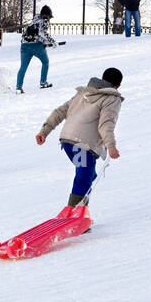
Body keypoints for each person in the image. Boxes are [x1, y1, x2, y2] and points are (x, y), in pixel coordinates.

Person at [36, 67, 123, 209]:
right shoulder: (111, 98)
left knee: (86, 174)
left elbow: (60, 111)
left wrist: (44, 131)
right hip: (82, 145)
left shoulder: (84, 92)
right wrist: (111, 147)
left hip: (68, 143)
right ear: (118, 86)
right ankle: (73, 214)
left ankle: (79, 213)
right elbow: (106, 125)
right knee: (83, 178)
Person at [16, 5, 56, 93]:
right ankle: (43, 82)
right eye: (50, 17)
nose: (49, 19)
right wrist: (52, 41)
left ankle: (18, 88)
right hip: (36, 46)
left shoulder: (34, 20)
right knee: (45, 62)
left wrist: (45, 43)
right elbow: (42, 33)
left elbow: (36, 34)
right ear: (47, 15)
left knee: (23, 67)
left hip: (24, 45)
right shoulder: (44, 20)